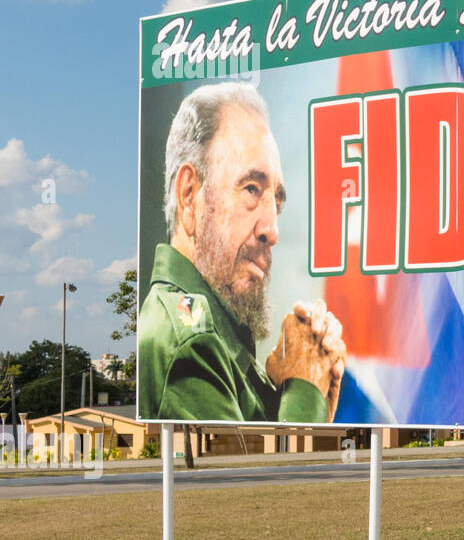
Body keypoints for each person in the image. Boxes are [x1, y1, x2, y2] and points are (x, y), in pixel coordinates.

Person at [139, 83, 346, 423]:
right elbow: (263, 477)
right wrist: (304, 386)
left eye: (276, 201)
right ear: (189, 195)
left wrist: (317, 388)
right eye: (251, 188)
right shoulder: (191, 345)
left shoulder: (218, 333)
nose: (272, 230)